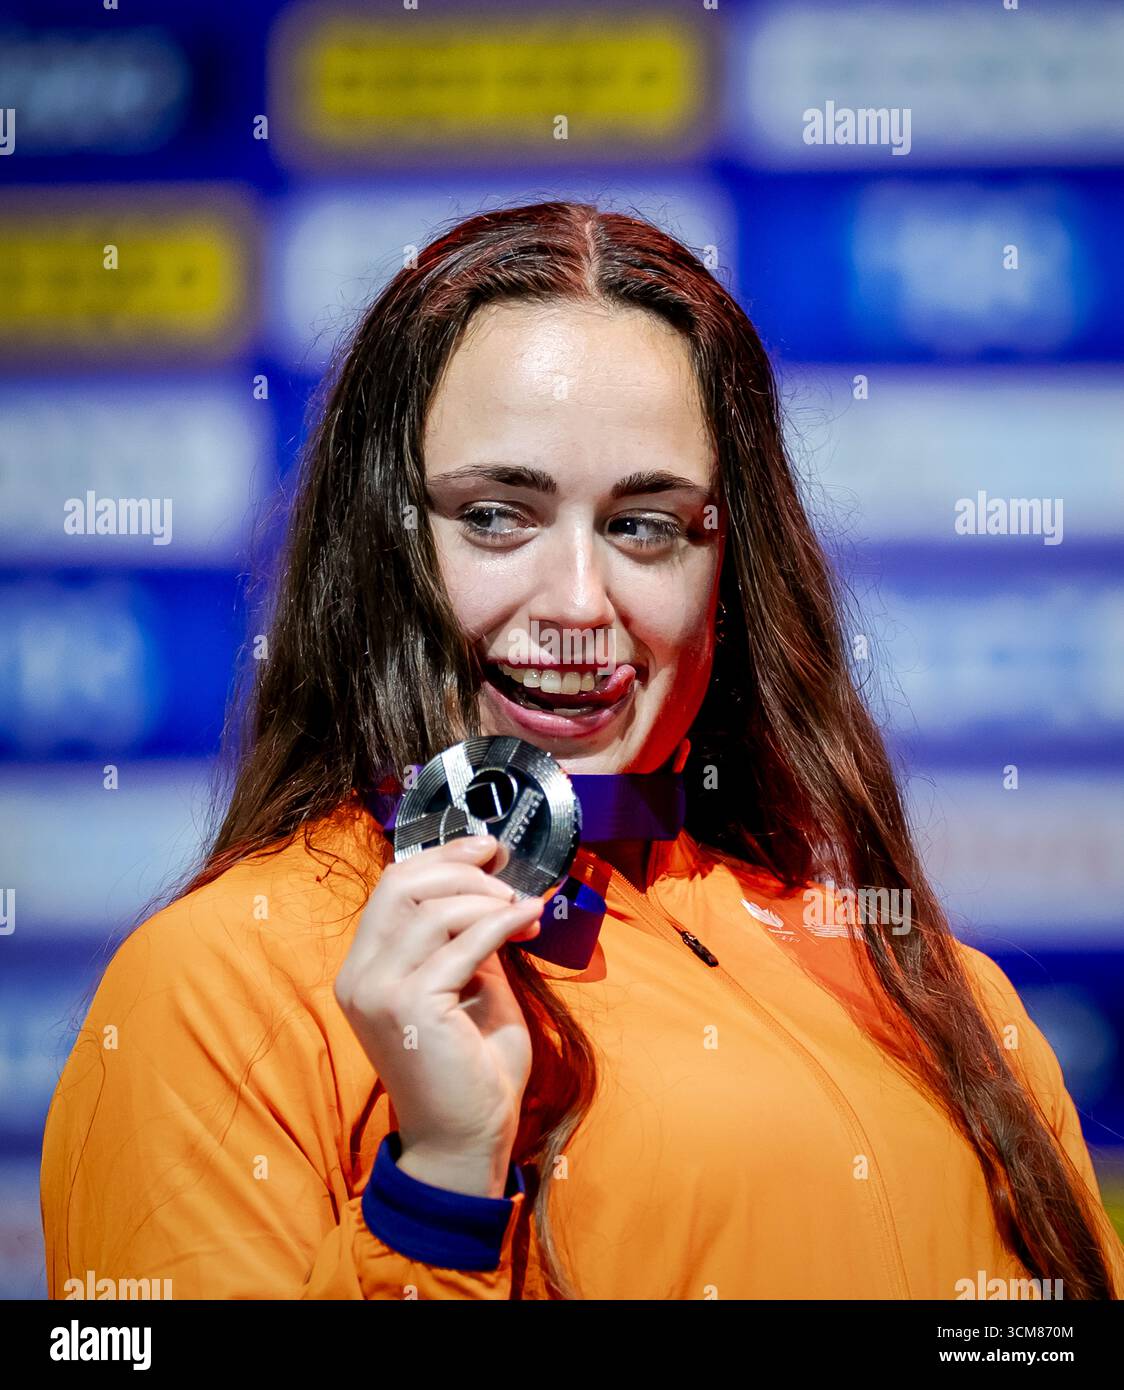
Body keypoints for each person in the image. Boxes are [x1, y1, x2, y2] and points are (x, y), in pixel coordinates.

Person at [41, 200, 1124, 1300]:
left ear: (729, 574)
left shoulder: (927, 981)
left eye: (643, 525)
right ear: (380, 542)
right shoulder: (218, 981)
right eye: (496, 517)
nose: (574, 603)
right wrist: (442, 1186)